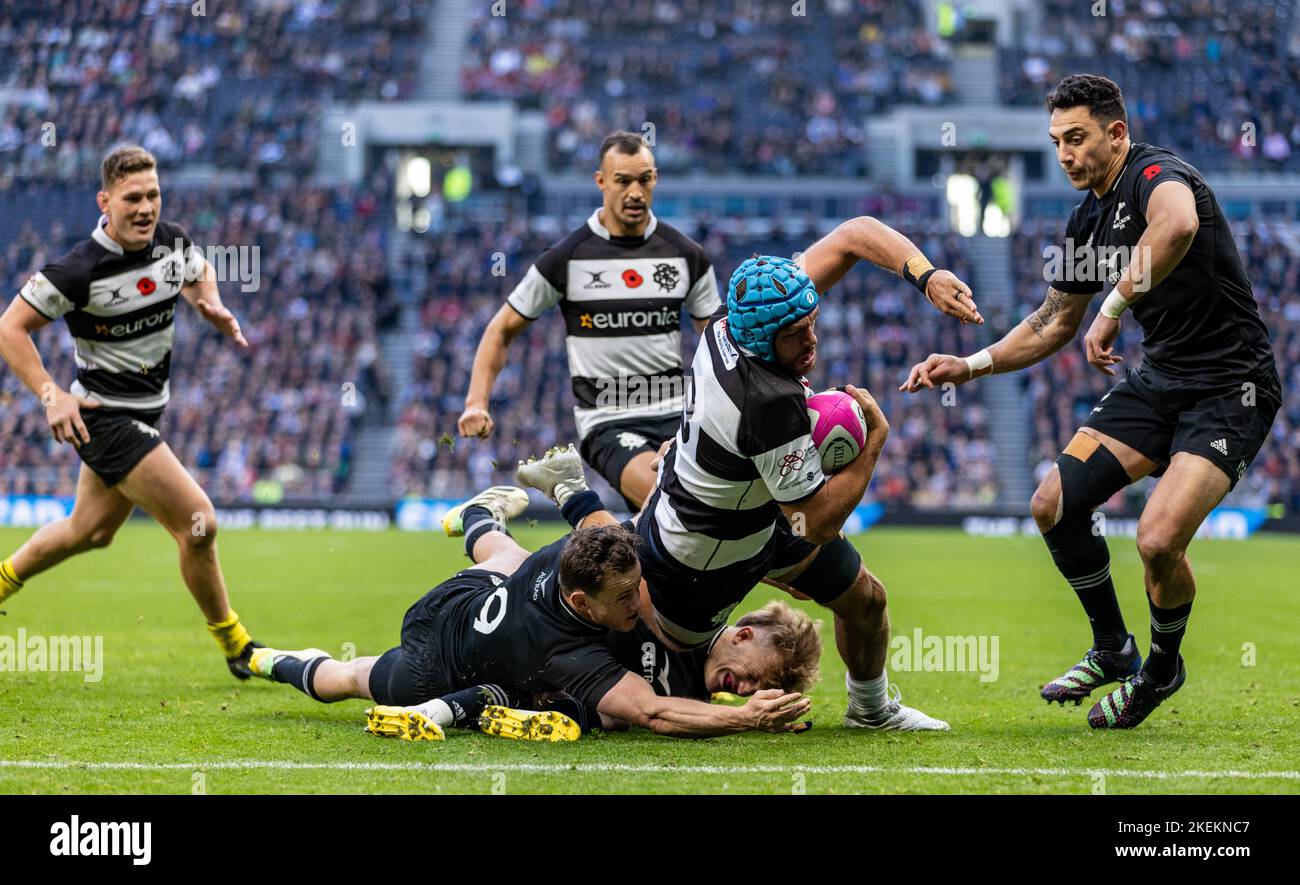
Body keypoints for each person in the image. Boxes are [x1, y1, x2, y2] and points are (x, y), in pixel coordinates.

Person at [900, 74, 1282, 729]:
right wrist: (968, 365)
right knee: (1052, 502)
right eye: (1056, 143)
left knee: (1158, 540)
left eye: (1076, 138)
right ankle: (1112, 646)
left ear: (1117, 132)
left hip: (1229, 388)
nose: (1065, 154)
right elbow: (1052, 323)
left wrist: (1113, 305)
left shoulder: (1157, 174)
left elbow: (1180, 225)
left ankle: (1160, 669)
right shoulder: (1087, 221)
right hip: (1159, 380)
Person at [520, 213, 981, 731]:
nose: (811, 341)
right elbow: (816, 523)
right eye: (795, 335)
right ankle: (558, 513)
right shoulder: (766, 402)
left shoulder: (733, 318)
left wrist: (926, 274)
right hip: (696, 566)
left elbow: (854, 235)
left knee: (866, 598)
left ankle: (871, 712)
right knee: (659, 663)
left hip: (747, 513)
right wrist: (874, 442)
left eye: (812, 323)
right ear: (763, 342)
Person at [249, 487, 811, 739]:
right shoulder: (569, 651)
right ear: (582, 605)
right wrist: (747, 719)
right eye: (624, 600)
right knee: (346, 679)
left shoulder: (574, 559)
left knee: (512, 558)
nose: (637, 604)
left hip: (473, 598)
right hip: (439, 662)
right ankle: (267, 659)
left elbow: (612, 542)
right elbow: (650, 714)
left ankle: (475, 515)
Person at [0, 145, 262, 678]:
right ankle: (238, 645)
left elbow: (199, 268)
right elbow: (10, 328)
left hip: (145, 414)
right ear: (106, 201)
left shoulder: (171, 241)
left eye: (154, 196)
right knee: (199, 524)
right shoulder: (77, 270)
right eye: (133, 198)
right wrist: (52, 394)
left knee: (89, 532)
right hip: (104, 419)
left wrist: (206, 301)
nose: (146, 208)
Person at [457, 131, 719, 510]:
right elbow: (501, 329)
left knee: (700, 531)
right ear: (601, 182)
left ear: (655, 179)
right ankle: (568, 498)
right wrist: (476, 402)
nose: (635, 192)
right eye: (622, 181)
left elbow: (719, 342)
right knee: (676, 507)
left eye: (644, 180)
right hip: (609, 421)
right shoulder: (567, 257)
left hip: (678, 415)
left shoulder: (686, 255)